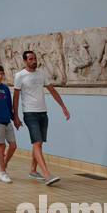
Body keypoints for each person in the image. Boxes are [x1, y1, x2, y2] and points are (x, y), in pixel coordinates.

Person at [12, 49, 68, 186]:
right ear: (25, 61)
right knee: (36, 143)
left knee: (39, 143)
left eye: (35, 58)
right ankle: (47, 174)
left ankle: (33, 170)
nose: (34, 61)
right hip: (30, 113)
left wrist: (63, 106)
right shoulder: (20, 76)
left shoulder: (41, 74)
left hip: (43, 113)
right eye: (30, 59)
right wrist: (16, 117)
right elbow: (16, 97)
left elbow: (52, 91)